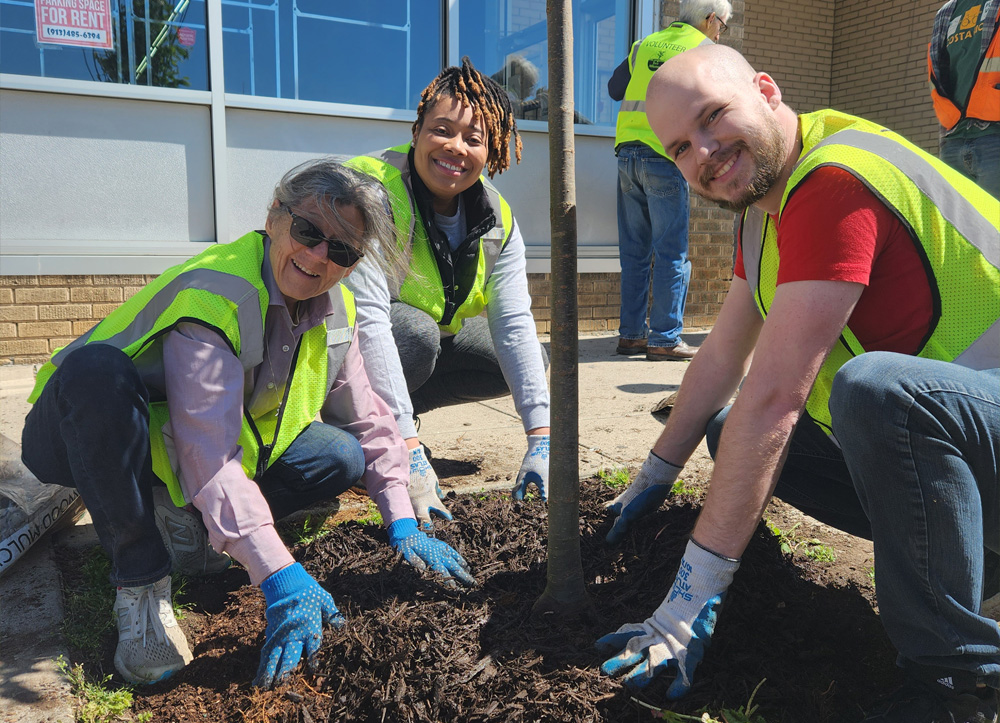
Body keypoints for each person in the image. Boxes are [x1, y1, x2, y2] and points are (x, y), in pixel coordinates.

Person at [597, 44, 1000, 722]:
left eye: (713, 116)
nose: (703, 154)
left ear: (766, 89)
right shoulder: (762, 211)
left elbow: (776, 399)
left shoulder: (835, 181)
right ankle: (976, 562)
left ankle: (958, 683)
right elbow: (720, 359)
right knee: (731, 431)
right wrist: (654, 475)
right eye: (679, 149)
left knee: (878, 393)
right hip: (978, 436)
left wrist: (693, 594)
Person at [21, 160, 476, 689]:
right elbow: (208, 457)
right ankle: (141, 578)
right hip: (80, 425)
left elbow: (371, 420)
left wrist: (400, 517)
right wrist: (278, 575)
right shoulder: (217, 295)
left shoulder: (337, 307)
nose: (317, 257)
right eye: (308, 231)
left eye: (343, 250)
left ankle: (190, 526)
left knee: (341, 455)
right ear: (274, 215)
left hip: (181, 442)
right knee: (96, 371)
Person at [344, 57, 551, 531]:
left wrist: (542, 437)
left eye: (474, 139)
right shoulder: (371, 192)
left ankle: (396, 422)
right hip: (346, 353)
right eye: (442, 130)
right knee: (415, 335)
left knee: (527, 358)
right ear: (417, 131)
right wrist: (407, 450)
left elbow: (513, 320)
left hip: (422, 346)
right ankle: (361, 433)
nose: (455, 148)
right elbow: (370, 323)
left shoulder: (497, 217)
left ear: (493, 150)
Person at [607, 0, 732, 361]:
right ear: (710, 19)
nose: (720, 31)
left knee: (634, 252)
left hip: (627, 156)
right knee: (671, 252)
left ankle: (631, 336)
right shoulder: (706, 50)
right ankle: (664, 338)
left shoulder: (644, 45)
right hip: (664, 157)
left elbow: (617, 89)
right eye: (721, 24)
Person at [928, 0, 1000, 198]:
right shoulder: (946, 12)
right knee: (958, 227)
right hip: (954, 141)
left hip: (995, 136)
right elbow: (940, 73)